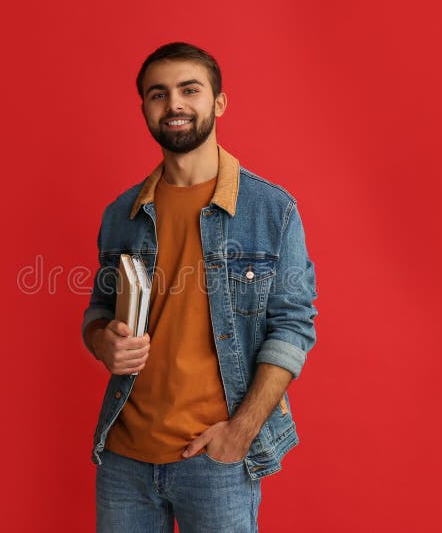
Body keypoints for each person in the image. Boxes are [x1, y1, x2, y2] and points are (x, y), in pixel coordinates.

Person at [81, 42, 319, 532]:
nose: (174, 105)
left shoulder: (272, 211)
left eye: (190, 90)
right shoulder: (120, 215)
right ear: (145, 108)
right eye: (158, 94)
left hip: (216, 463)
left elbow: (293, 327)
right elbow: (98, 312)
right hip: (124, 459)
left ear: (218, 102)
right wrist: (102, 340)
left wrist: (242, 431)